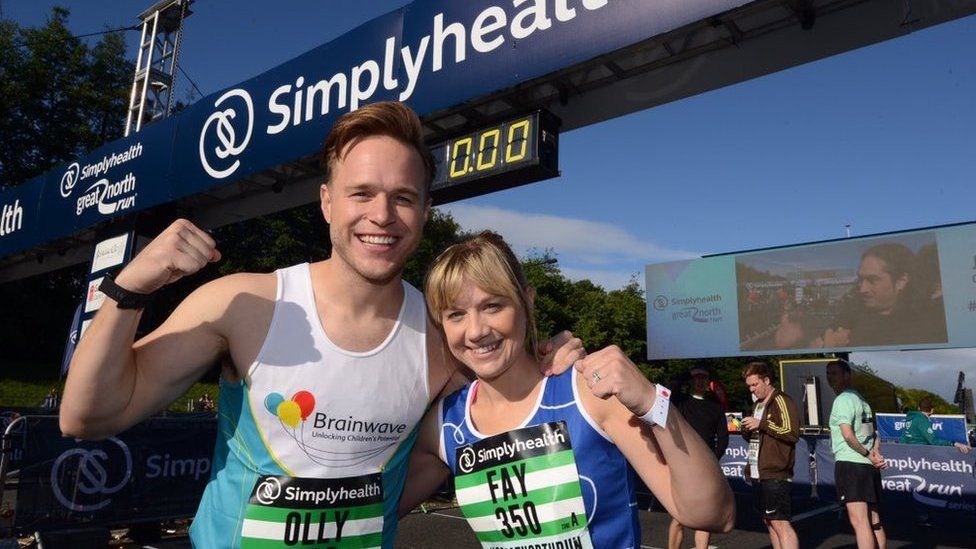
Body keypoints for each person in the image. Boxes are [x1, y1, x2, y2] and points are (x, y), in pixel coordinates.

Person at [59, 102, 582, 548]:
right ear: (327, 202)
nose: (382, 215)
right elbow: (86, 417)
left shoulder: (443, 337)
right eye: (361, 193)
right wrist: (129, 289)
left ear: (424, 211)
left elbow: (496, 419)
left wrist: (551, 366)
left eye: (403, 197)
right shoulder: (243, 303)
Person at [398, 232, 734, 547]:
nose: (475, 331)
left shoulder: (589, 393)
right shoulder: (446, 425)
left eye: (492, 306)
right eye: (456, 314)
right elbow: (365, 514)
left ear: (526, 301)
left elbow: (713, 515)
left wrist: (652, 402)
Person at [826, 359, 887, 549]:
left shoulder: (843, 400)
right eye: (828, 373)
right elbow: (875, 434)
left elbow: (847, 434)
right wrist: (875, 455)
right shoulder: (862, 400)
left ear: (847, 375)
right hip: (867, 467)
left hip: (851, 464)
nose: (830, 378)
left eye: (834, 373)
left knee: (860, 523)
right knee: (874, 521)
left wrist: (869, 454)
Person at [740, 361, 800, 549]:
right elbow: (756, 434)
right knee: (769, 521)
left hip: (776, 472)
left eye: (755, 384)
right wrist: (746, 429)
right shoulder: (757, 405)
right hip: (759, 471)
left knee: (781, 523)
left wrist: (762, 424)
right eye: (749, 386)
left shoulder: (781, 400)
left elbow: (792, 432)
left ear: (766, 380)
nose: (752, 389)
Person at [668, 365, 729, 549]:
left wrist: (712, 461)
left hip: (706, 468)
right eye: (697, 378)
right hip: (683, 465)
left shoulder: (715, 407)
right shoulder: (681, 401)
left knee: (705, 517)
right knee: (679, 516)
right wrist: (687, 373)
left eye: (704, 378)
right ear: (692, 381)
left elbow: (723, 439)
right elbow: (669, 389)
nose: (700, 381)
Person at [899, 397, 970, 453]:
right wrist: (954, 443)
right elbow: (933, 441)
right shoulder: (923, 421)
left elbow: (903, 438)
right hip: (919, 454)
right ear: (932, 410)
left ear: (918, 408)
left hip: (906, 453)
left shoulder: (910, 417)